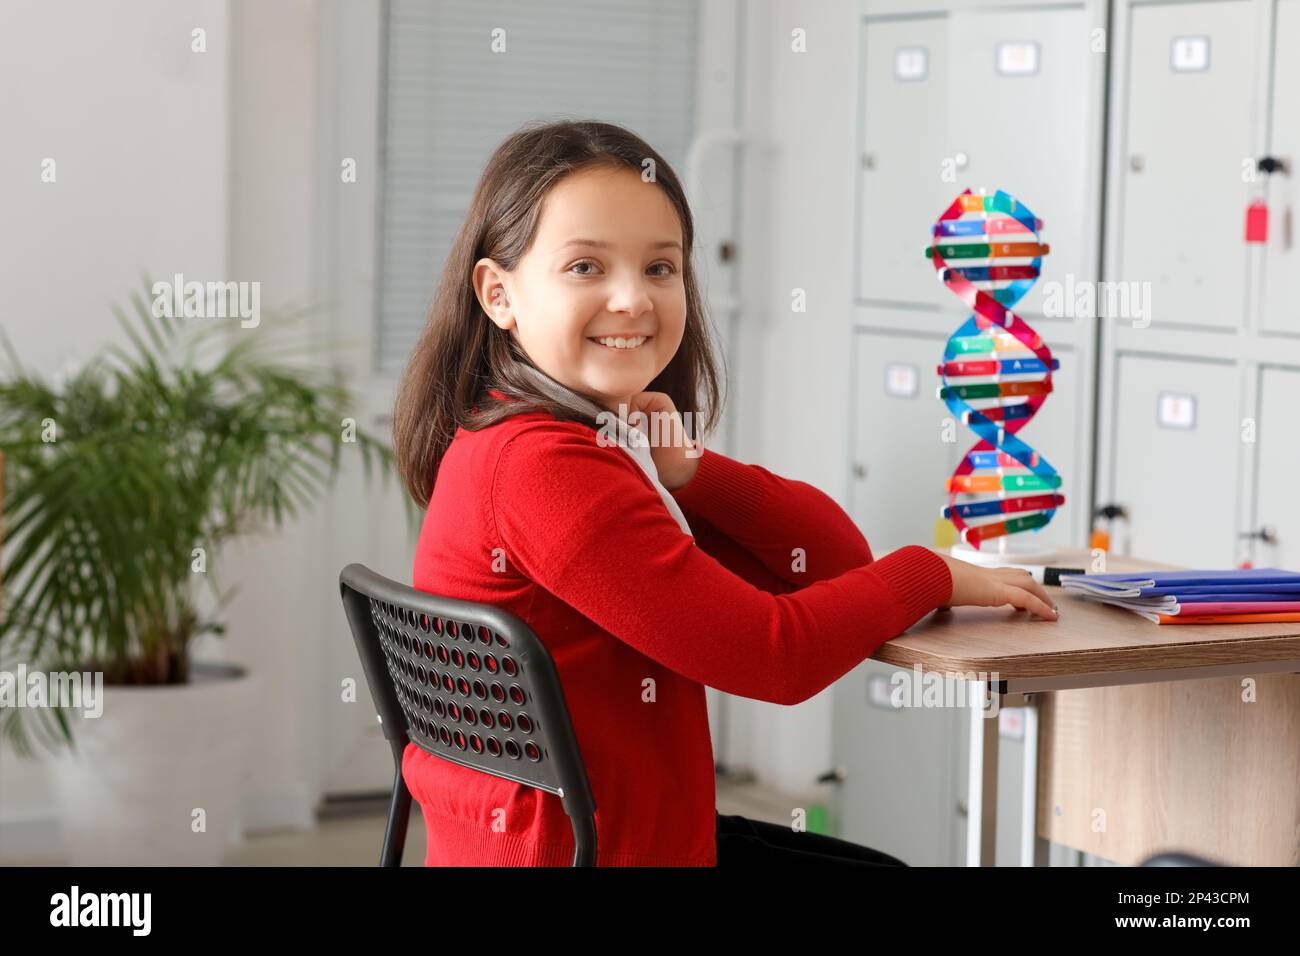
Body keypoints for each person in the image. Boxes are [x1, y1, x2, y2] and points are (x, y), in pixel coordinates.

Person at [390, 119, 1058, 867]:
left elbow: (835, 561)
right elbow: (775, 658)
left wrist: (693, 474)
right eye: (585, 268)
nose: (632, 300)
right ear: (498, 293)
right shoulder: (545, 468)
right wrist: (930, 572)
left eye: (660, 268)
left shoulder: (538, 436)